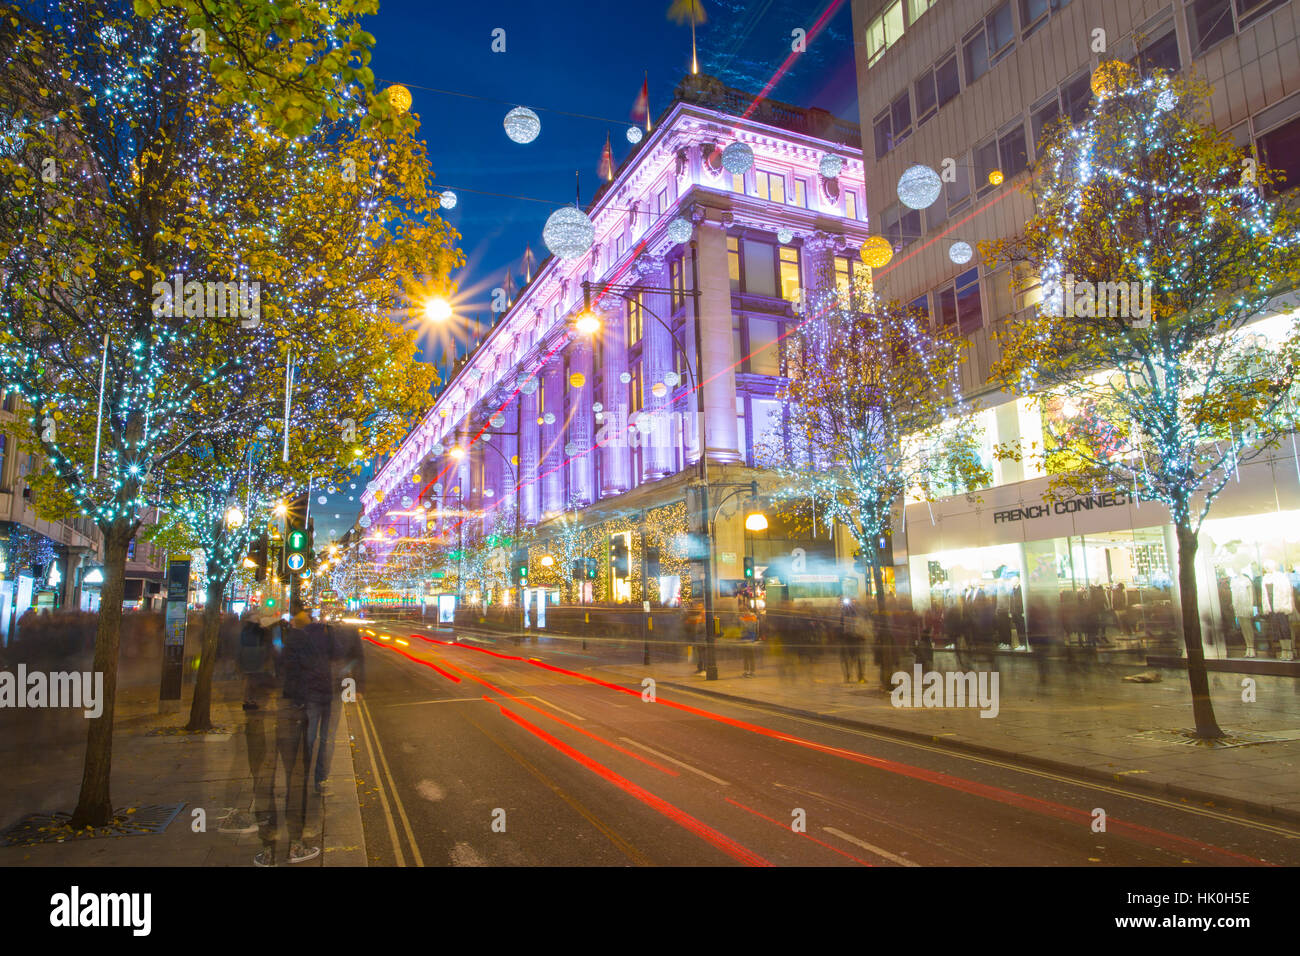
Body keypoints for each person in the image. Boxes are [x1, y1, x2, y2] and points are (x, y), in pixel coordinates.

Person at [255, 600, 323, 867]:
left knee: (266, 780)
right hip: (291, 711)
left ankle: (269, 848)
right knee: (295, 779)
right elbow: (311, 673)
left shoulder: (262, 639)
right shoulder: (298, 639)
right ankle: (294, 844)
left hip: (264, 715)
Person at [739, 606, 759, 677]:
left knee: (751, 656)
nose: (743, 613)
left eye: (744, 611)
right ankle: (746, 671)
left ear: (748, 610)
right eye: (742, 612)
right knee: (745, 656)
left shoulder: (753, 617)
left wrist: (742, 622)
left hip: (750, 639)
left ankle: (752, 671)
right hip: (744, 639)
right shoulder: (742, 618)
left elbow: (750, 628)